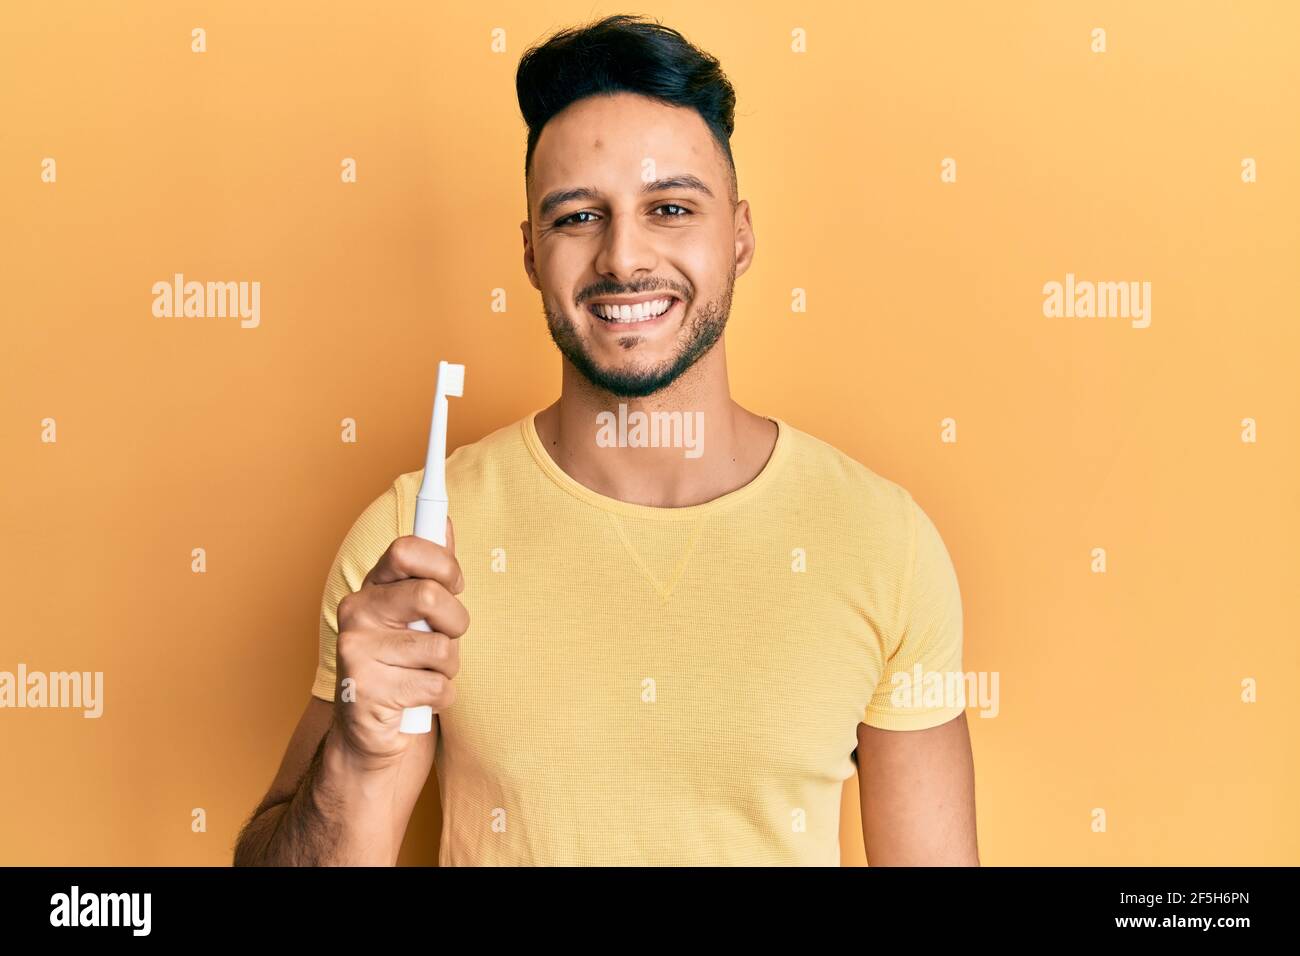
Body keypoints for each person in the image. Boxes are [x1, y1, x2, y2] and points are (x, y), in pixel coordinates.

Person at [234, 13, 977, 866]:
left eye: (671, 209)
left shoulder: (883, 541)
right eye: (579, 217)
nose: (624, 258)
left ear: (738, 237)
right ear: (530, 253)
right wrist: (356, 759)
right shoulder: (414, 547)